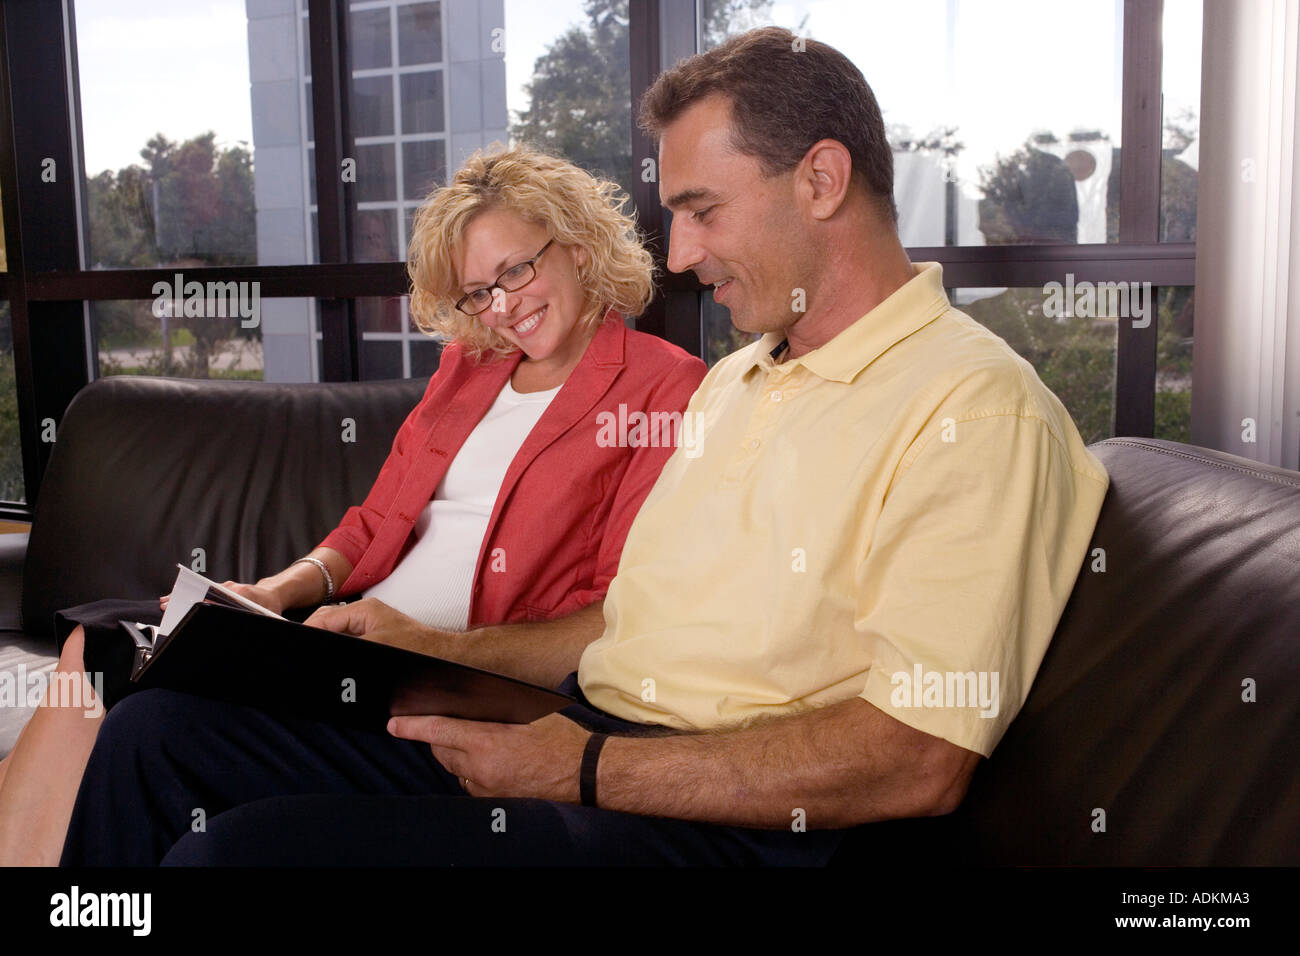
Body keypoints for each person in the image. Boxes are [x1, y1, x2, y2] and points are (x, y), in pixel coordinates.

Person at [58, 27, 1110, 867]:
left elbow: (914, 755)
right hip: (592, 739)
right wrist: (426, 656)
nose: (682, 255)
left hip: (728, 822)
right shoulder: (747, 378)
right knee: (160, 732)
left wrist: (586, 768)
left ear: (821, 179)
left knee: (240, 855)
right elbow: (619, 617)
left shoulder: (972, 406)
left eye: (700, 211)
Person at [0, 144, 706, 866]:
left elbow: (619, 617)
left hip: (458, 688)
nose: (502, 307)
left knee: (149, 727)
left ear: (580, 248)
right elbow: (371, 524)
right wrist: (273, 594)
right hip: (349, 650)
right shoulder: (467, 371)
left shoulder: (663, 390)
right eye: (477, 293)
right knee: (127, 675)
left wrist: (433, 649)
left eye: (515, 271)